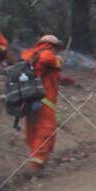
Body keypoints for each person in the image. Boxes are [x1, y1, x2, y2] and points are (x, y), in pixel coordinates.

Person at [20, 34, 63, 173]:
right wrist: (58, 61)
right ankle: (35, 166)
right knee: (46, 131)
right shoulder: (46, 54)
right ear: (52, 46)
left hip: (30, 99)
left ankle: (38, 162)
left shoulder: (31, 55)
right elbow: (47, 59)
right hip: (44, 102)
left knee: (33, 131)